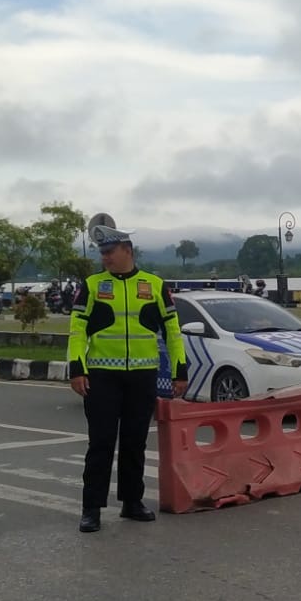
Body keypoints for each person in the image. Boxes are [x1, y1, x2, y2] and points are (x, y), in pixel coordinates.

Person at [68, 226, 188, 532]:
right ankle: (91, 508)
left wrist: (180, 370)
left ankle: (132, 502)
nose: (105, 257)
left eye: (110, 252)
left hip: (142, 376)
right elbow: (77, 330)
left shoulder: (155, 285)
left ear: (128, 251)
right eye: (102, 253)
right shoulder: (92, 285)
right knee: (101, 443)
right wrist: (77, 368)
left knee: (135, 442)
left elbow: (172, 331)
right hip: (102, 376)